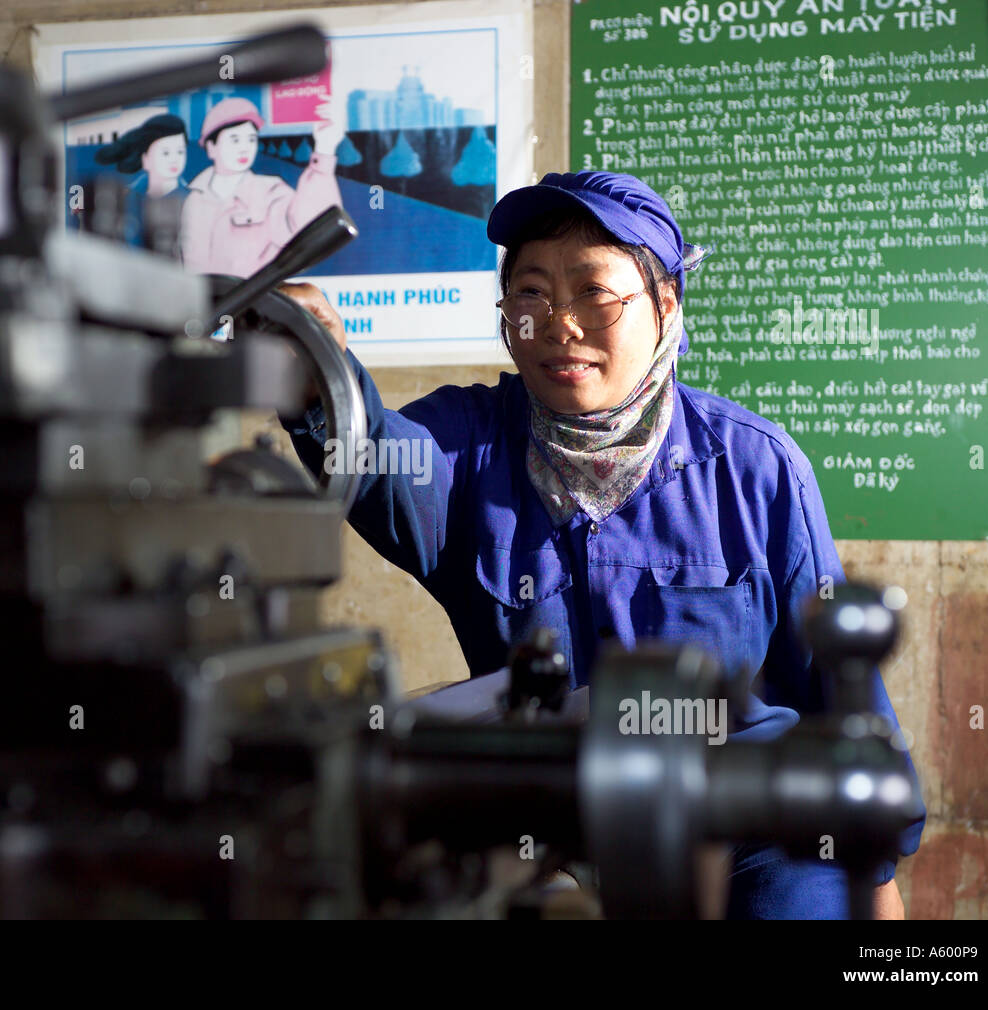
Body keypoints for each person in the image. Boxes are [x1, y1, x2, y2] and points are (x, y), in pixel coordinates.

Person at [276, 170, 925, 919]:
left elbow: (838, 695)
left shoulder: (755, 467)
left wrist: (880, 895)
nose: (560, 323)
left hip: (751, 839)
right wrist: (314, 377)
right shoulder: (467, 446)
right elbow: (375, 457)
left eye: (594, 291)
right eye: (531, 293)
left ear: (666, 305)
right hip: (544, 839)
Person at [180, 96, 343, 277]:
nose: (245, 148)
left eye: (251, 139)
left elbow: (310, 225)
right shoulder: (189, 200)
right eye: (235, 140)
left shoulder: (270, 191)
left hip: (256, 303)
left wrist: (324, 149)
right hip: (195, 303)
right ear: (211, 147)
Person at [92, 113, 190, 248]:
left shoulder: (191, 195)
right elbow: (75, 194)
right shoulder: (129, 192)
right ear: (146, 157)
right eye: (165, 153)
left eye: (180, 151)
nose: (174, 159)